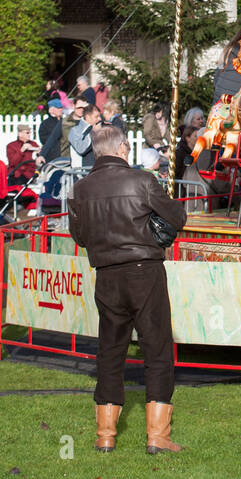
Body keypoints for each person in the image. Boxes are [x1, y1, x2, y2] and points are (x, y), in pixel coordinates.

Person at [67, 123, 187, 455]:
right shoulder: (143, 181)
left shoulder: (80, 189)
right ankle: (157, 436)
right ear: (122, 149)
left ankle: (105, 434)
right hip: (144, 271)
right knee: (157, 348)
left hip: (106, 273)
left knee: (110, 350)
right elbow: (177, 217)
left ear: (95, 151)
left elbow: (79, 237)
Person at [212, 36, 241, 102]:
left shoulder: (227, 49)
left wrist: (218, 87)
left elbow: (218, 70)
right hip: (237, 94)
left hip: (220, 91)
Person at [69, 105, 101, 170]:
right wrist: (93, 133)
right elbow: (81, 149)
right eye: (96, 117)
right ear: (87, 117)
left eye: (99, 116)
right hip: (80, 173)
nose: (99, 119)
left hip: (98, 171)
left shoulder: (100, 128)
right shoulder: (75, 130)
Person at [37, 99, 65, 164]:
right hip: (52, 157)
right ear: (51, 110)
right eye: (58, 108)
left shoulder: (65, 122)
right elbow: (45, 140)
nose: (61, 109)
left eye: (61, 107)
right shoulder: (45, 124)